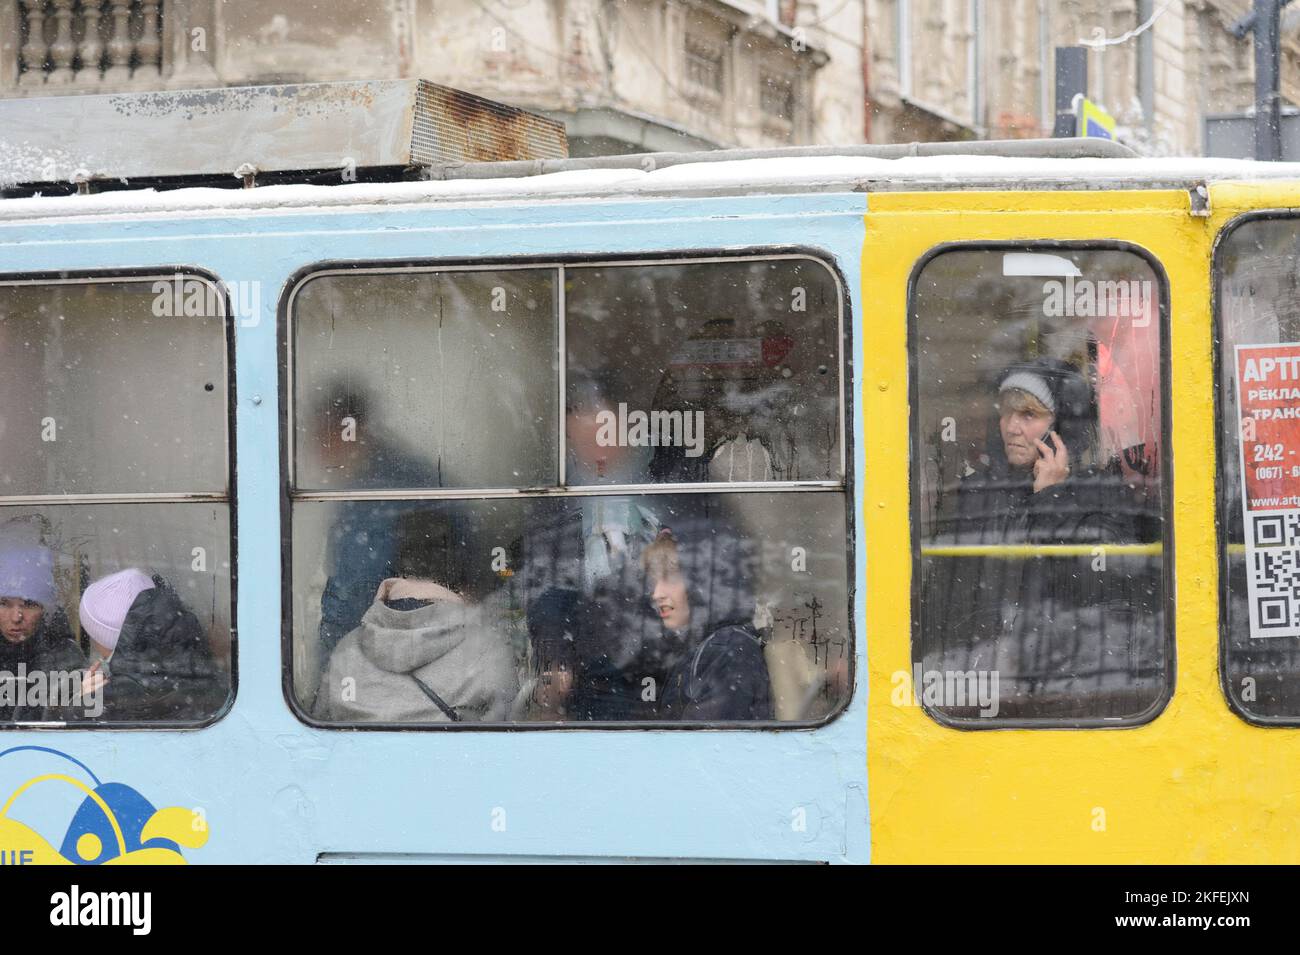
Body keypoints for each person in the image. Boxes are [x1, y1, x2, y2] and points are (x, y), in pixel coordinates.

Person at [313, 509, 518, 723]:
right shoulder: (487, 649)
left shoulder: (347, 650)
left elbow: (324, 726)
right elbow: (509, 739)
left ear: (397, 562)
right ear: (460, 569)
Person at [640, 523, 772, 721]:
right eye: (655, 581)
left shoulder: (728, 650)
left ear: (703, 584)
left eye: (670, 579)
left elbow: (702, 746)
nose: (657, 593)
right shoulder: (702, 645)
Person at [79, 568, 224, 722]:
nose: (94, 644)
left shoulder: (119, 700)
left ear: (114, 640)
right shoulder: (195, 662)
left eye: (94, 636)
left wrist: (85, 702)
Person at [0, 543, 85, 721]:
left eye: (29, 604)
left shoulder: (65, 659)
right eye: (4, 603)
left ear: (45, 610)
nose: (16, 617)